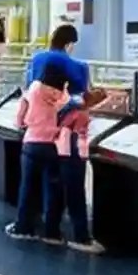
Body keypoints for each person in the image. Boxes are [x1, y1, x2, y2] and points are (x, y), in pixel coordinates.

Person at [6, 65, 71, 243]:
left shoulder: (32, 91)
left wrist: (24, 123)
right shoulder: (63, 97)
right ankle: (52, 233)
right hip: (52, 146)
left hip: (32, 144)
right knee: (53, 191)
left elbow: (19, 120)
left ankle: (23, 227)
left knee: (27, 188)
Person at [55, 88, 110, 253]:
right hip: (74, 157)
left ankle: (54, 230)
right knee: (77, 196)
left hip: (63, 155)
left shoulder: (70, 110)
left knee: (64, 194)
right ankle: (81, 237)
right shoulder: (82, 115)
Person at [27, 23, 90, 95]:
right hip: (57, 102)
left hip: (33, 100)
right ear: (69, 45)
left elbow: (28, 83)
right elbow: (81, 88)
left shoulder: (36, 58)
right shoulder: (75, 64)